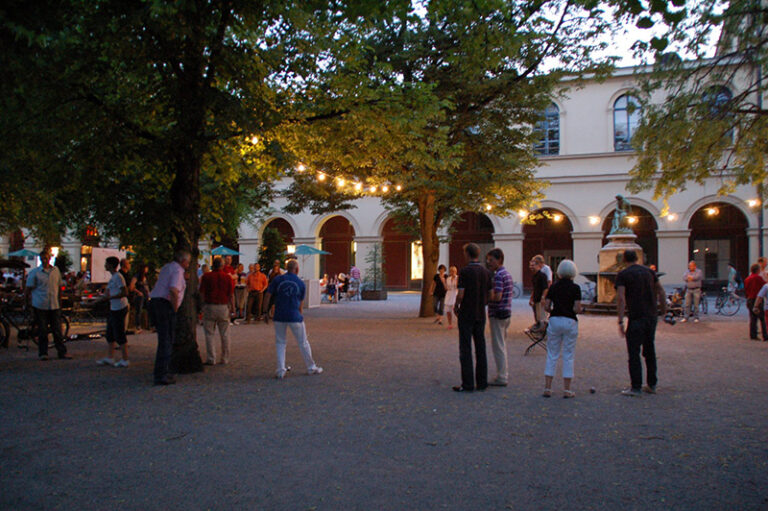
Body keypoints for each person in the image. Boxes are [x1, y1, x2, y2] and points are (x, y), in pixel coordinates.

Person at [616, 249, 667, 397]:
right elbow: (661, 292)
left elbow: (621, 298)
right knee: (650, 350)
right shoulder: (649, 272)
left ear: (624, 259)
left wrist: (620, 320)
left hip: (636, 316)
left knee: (634, 352)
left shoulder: (623, 275)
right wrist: (663, 311)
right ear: (637, 258)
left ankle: (636, 387)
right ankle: (652, 384)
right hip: (651, 316)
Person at [264, 259, 323, 379]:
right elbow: (300, 302)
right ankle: (311, 367)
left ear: (286, 268)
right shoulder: (300, 283)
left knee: (280, 342)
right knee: (303, 342)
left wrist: (265, 311)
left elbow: (268, 294)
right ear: (297, 269)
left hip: (279, 315)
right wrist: (300, 314)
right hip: (294, 316)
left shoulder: (278, 279)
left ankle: (281, 370)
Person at [452, 243, 492, 392]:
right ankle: (482, 382)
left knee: (466, 348)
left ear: (467, 254)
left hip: (467, 313)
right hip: (480, 313)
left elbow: (461, 294)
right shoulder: (486, 272)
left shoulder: (465, 271)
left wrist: (456, 305)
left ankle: (468, 383)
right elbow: (491, 294)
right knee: (481, 347)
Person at [149, 250, 190, 385]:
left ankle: (162, 371)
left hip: (156, 302)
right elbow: (174, 289)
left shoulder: (167, 267)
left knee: (164, 339)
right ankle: (162, 374)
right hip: (164, 304)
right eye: (188, 262)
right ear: (183, 261)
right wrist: (175, 307)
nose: (188, 264)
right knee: (167, 340)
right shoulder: (178, 271)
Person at [542, 259, 582, 398]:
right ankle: (567, 389)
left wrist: (553, 309)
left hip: (555, 319)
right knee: (568, 355)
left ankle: (547, 387)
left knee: (552, 353)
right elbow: (577, 308)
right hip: (570, 320)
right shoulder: (576, 288)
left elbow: (546, 306)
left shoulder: (553, 287)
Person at [25, 246, 70, 360]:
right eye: (43, 258)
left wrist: (60, 302)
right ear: (40, 259)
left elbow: (59, 288)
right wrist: (28, 303)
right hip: (40, 304)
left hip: (54, 304)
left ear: (50, 258)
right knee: (42, 330)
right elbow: (28, 289)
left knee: (57, 330)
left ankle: (61, 352)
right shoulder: (35, 273)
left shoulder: (55, 271)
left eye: (46, 258)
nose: (44, 260)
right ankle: (43, 353)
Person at [199, 257, 234, 365]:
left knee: (209, 334)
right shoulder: (227, 278)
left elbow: (201, 292)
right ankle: (225, 358)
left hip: (210, 306)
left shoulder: (206, 276)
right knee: (225, 334)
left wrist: (201, 306)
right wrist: (232, 308)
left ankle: (211, 358)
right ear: (222, 266)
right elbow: (231, 294)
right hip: (223, 306)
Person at [486, 249, 513, 387]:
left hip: (497, 313)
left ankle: (502, 376)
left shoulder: (497, 276)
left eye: (491, 260)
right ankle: (503, 373)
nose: (489, 262)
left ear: (499, 260)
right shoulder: (507, 274)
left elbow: (497, 296)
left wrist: (486, 298)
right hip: (506, 312)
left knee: (498, 346)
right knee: (502, 344)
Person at [96, 256, 130, 367]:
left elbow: (124, 292)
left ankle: (125, 358)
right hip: (113, 307)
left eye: (106, 263)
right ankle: (110, 357)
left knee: (119, 332)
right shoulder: (113, 278)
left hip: (119, 307)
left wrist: (111, 297)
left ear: (110, 265)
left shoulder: (118, 277)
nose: (105, 265)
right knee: (110, 333)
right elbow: (107, 294)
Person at [745, 264, 767, 341]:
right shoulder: (758, 278)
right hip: (757, 299)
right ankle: (765, 335)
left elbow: (746, 290)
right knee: (762, 318)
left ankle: (753, 334)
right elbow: (764, 286)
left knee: (753, 318)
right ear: (757, 270)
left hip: (749, 299)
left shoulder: (747, 279)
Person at [527, 257, 549, 332]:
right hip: (536, 299)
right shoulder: (534, 276)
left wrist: (543, 298)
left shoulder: (542, 276)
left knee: (542, 317)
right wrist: (531, 298)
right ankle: (539, 329)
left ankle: (543, 331)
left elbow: (545, 288)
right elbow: (534, 288)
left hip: (540, 299)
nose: (531, 267)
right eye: (530, 266)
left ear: (538, 266)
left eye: (533, 266)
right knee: (537, 316)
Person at [132, 264, 151, 333]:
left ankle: (149, 325)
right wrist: (138, 292)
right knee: (139, 310)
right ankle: (138, 325)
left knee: (149, 310)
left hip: (146, 295)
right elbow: (132, 286)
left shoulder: (146, 277)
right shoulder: (137, 276)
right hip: (140, 295)